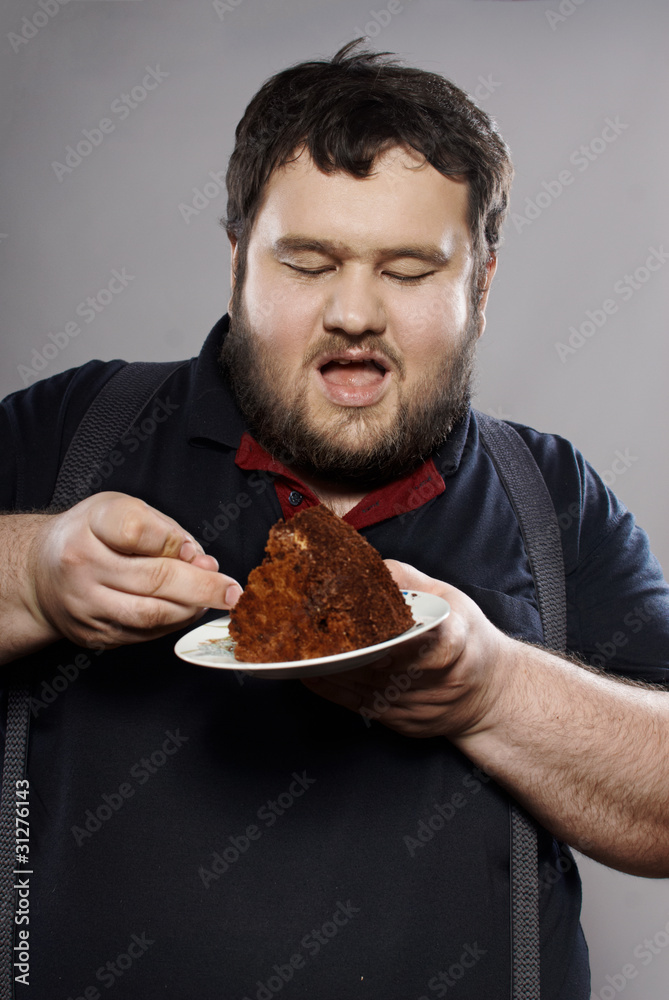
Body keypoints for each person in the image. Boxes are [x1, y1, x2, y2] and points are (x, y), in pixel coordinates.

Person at [1, 39, 668, 1000]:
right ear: (238, 260)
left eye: (406, 270)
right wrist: (29, 572)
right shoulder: (69, 432)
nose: (354, 312)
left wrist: (493, 692)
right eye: (308, 262)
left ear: (478, 286)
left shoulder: (553, 494)